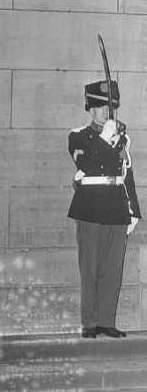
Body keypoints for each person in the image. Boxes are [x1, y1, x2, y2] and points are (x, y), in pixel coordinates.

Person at [67, 80, 139, 339]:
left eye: (109, 107)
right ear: (90, 107)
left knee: (112, 267)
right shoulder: (77, 136)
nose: (105, 111)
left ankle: (106, 321)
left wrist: (134, 209)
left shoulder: (122, 137)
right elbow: (86, 162)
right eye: (99, 106)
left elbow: (126, 172)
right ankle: (90, 321)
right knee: (91, 266)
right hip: (89, 204)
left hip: (116, 204)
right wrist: (105, 136)